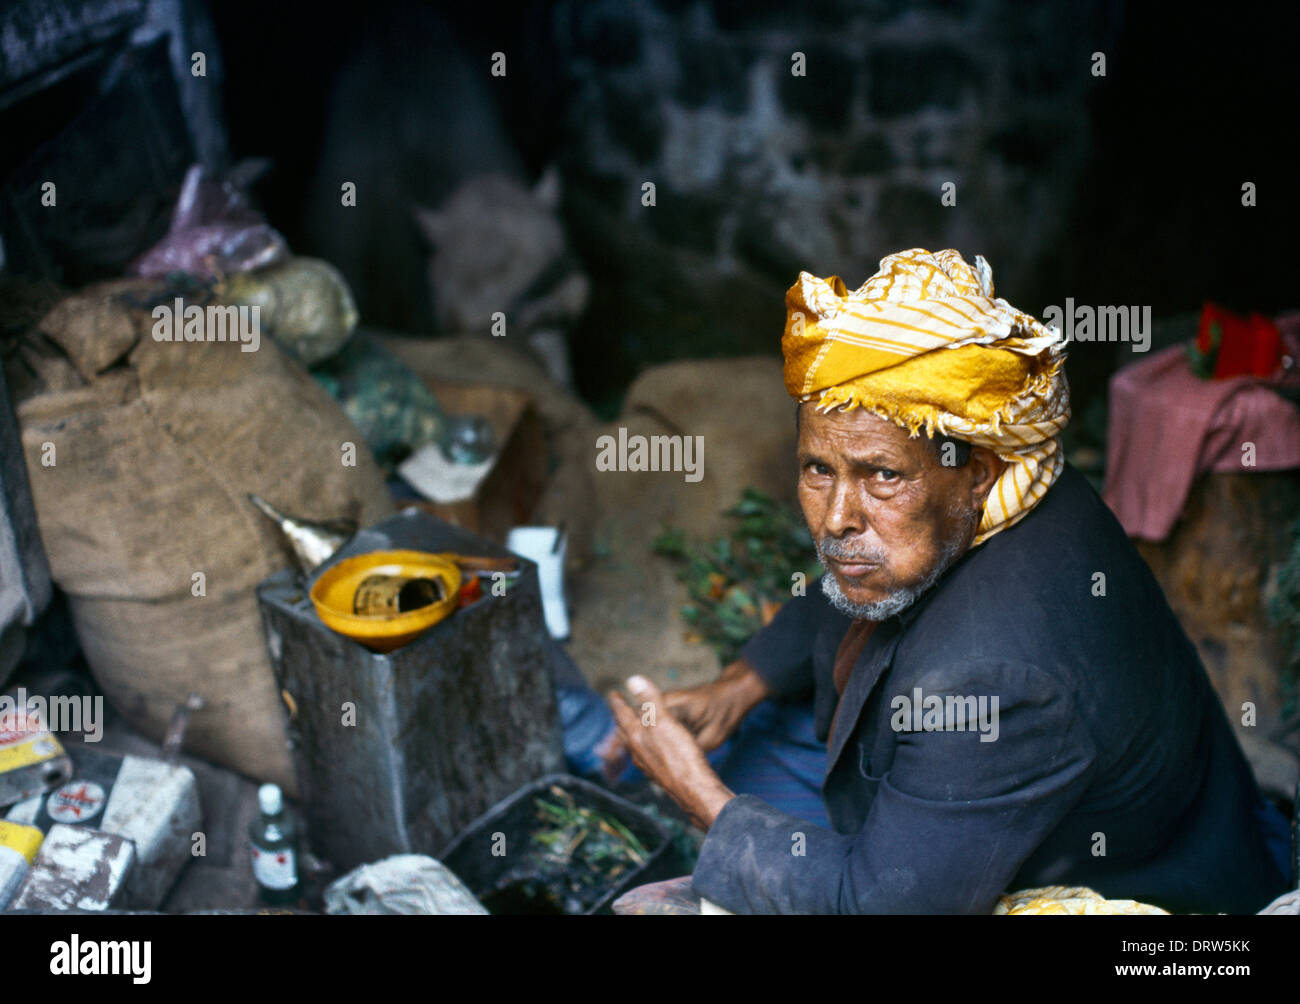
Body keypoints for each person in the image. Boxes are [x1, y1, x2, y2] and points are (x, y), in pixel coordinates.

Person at [606, 248, 1291, 914]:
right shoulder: (1002, 491)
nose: (838, 518)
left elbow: (881, 905)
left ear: (977, 474)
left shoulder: (991, 675)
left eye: (883, 474)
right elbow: (851, 579)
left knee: (698, 847)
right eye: (818, 468)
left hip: (1130, 885)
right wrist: (740, 684)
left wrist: (696, 792)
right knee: (740, 745)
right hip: (959, 783)